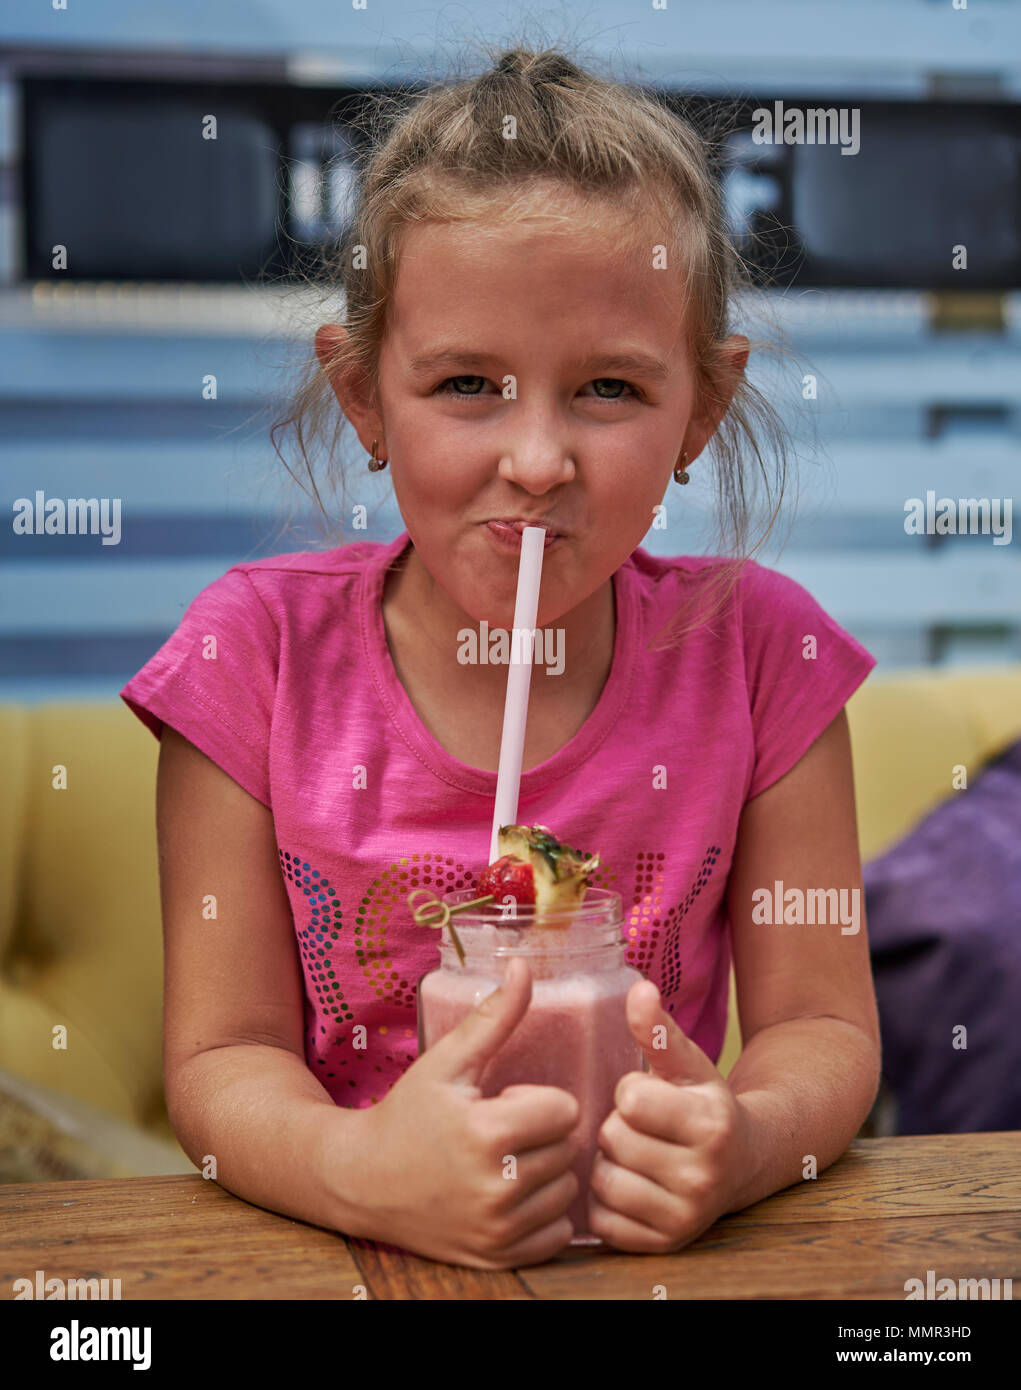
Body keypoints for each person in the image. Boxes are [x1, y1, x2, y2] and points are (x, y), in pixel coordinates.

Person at [120, 46, 881, 1270]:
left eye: (609, 389)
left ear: (702, 412)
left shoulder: (759, 657)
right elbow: (221, 1059)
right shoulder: (253, 658)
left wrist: (741, 1143)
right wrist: (363, 1173)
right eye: (467, 382)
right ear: (363, 395)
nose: (536, 460)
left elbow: (820, 1026)